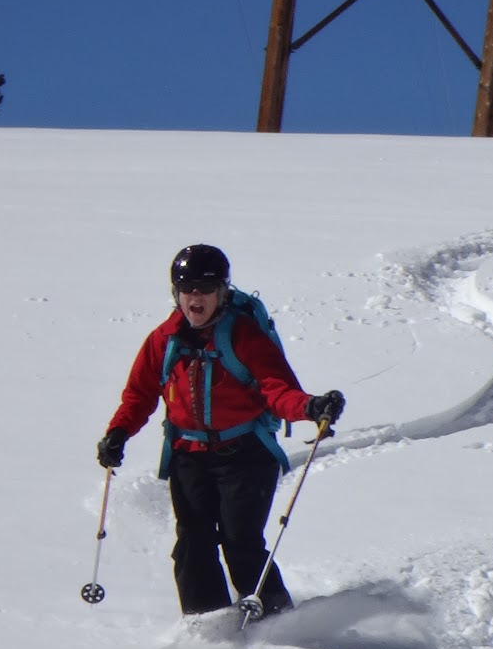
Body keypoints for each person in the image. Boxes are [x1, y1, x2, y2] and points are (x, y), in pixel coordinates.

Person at [97, 244, 344, 618]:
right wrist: (118, 433)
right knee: (192, 545)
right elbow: (140, 395)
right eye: (188, 288)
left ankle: (280, 622)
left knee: (240, 542)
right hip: (189, 457)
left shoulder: (243, 336)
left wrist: (310, 407)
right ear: (176, 292)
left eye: (206, 288)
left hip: (245, 455)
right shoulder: (163, 341)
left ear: (222, 292)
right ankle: (207, 627)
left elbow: (276, 389)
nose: (196, 296)